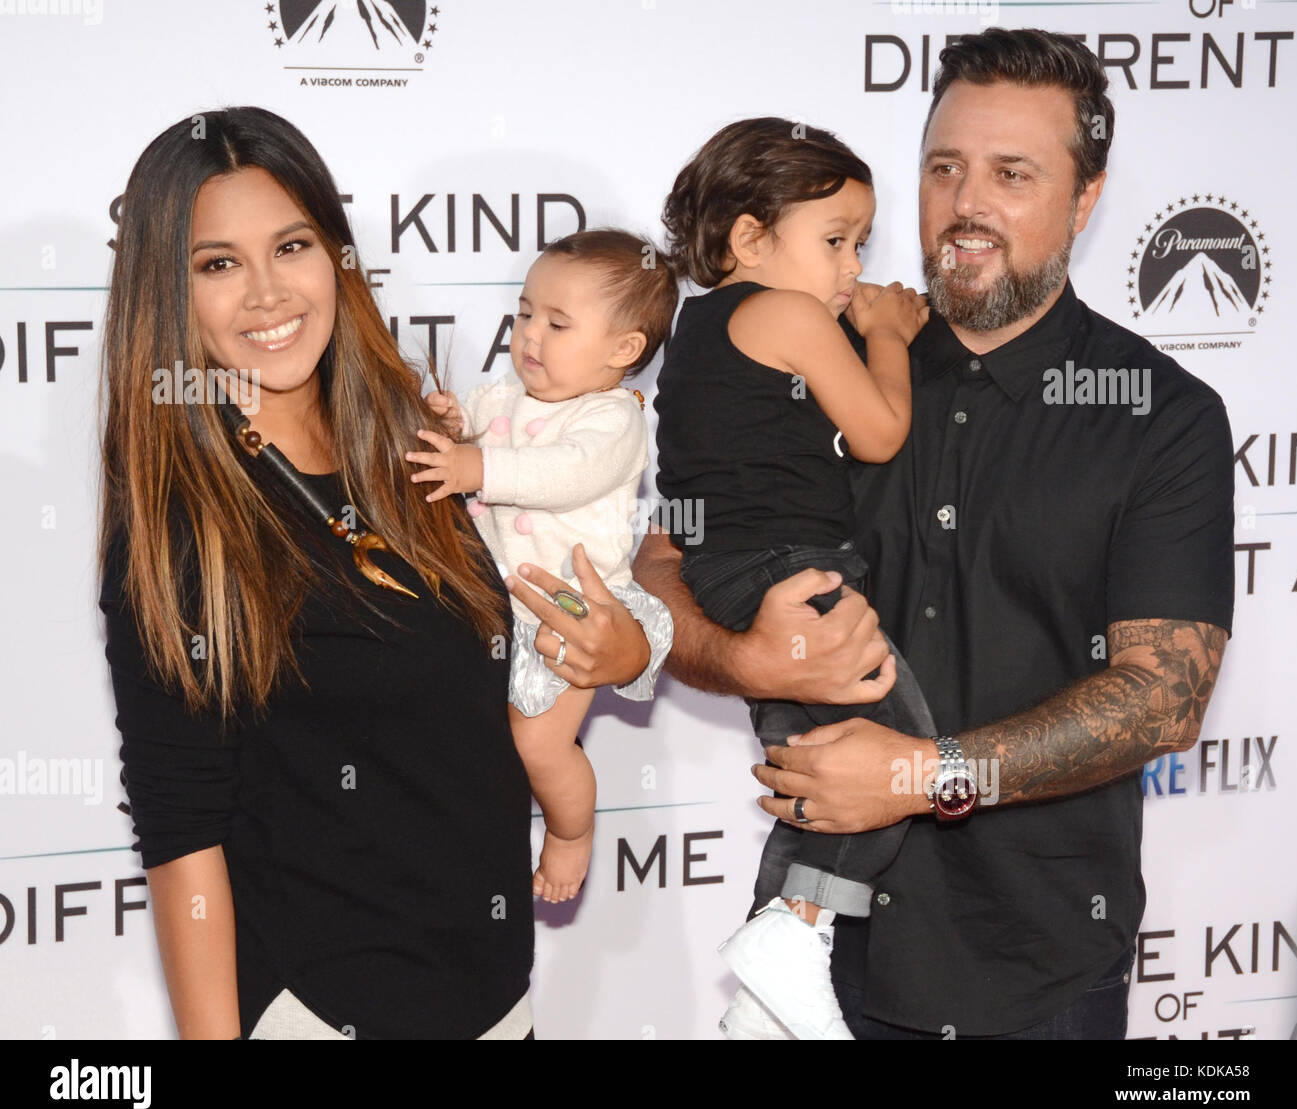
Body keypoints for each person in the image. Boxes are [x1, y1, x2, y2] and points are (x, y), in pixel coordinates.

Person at [634, 27, 1234, 1040]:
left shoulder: (1161, 418)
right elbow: (663, 567)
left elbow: (1162, 702)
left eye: (1011, 173)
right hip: (823, 974)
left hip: (1039, 979)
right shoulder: (817, 364)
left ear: (1084, 200)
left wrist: (925, 771)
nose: (966, 204)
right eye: (944, 167)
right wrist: (742, 652)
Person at [99, 106, 658, 1040]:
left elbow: (578, 595)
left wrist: (628, 645)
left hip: (497, 994)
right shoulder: (180, 525)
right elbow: (182, 826)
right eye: (218, 263)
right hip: (321, 1012)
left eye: (292, 245)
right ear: (170, 290)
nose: (269, 294)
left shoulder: (420, 437)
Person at [652, 117, 934, 1039]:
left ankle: (772, 993)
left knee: (825, 765)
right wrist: (886, 332)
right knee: (902, 749)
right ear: (748, 237)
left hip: (728, 579)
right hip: (790, 570)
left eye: (862, 245)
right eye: (836, 241)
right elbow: (881, 431)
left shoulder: (697, 326)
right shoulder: (792, 314)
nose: (853, 266)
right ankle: (788, 939)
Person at [405, 228, 677, 903]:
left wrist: (478, 466)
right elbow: (473, 421)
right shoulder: (505, 395)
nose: (530, 334)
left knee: (540, 747)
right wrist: (452, 419)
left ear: (623, 349)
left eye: (558, 323)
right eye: (525, 312)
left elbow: (564, 472)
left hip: (577, 611)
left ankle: (569, 833)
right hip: (495, 607)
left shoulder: (612, 419)